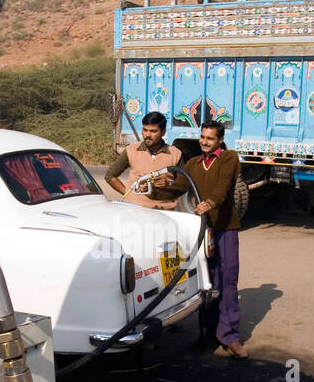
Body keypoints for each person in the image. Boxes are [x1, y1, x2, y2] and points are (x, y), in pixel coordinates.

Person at [186, 120, 247, 359]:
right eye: (202, 137)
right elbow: (180, 185)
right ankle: (207, 333)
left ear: (220, 140)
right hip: (203, 231)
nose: (204, 141)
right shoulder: (193, 163)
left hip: (225, 228)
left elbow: (222, 187)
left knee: (228, 280)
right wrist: (161, 184)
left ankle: (230, 337)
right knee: (207, 282)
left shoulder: (229, 158)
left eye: (210, 138)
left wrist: (210, 202)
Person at [105, 111, 182, 209]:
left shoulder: (175, 154)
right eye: (145, 130)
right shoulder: (131, 150)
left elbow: (185, 184)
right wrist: (129, 194)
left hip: (164, 211)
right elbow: (110, 176)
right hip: (135, 210)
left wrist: (169, 183)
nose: (147, 135)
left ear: (163, 132)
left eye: (153, 131)